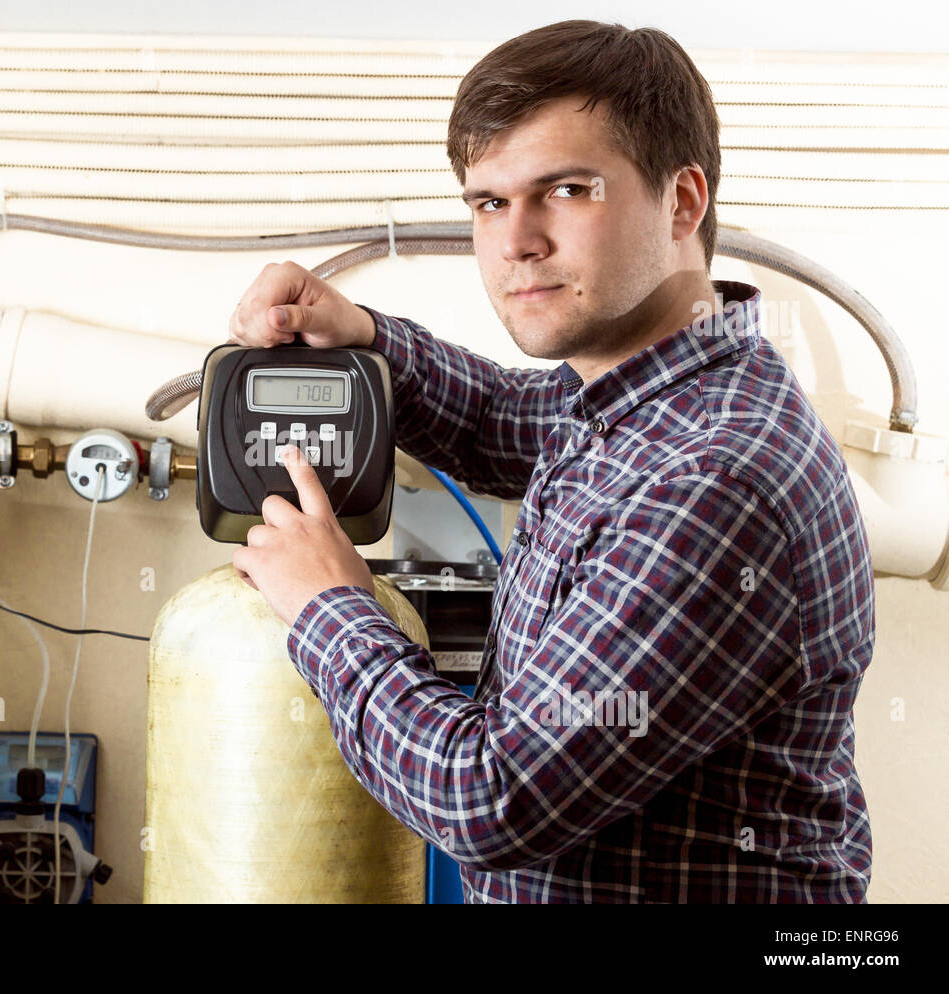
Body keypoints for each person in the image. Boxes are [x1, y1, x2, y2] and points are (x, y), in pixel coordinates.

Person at [228, 19, 873, 903]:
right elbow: (503, 420)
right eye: (488, 203)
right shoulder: (654, 395)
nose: (515, 242)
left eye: (566, 190)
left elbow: (490, 797)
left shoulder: (712, 478)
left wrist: (329, 607)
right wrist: (369, 340)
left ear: (682, 202)